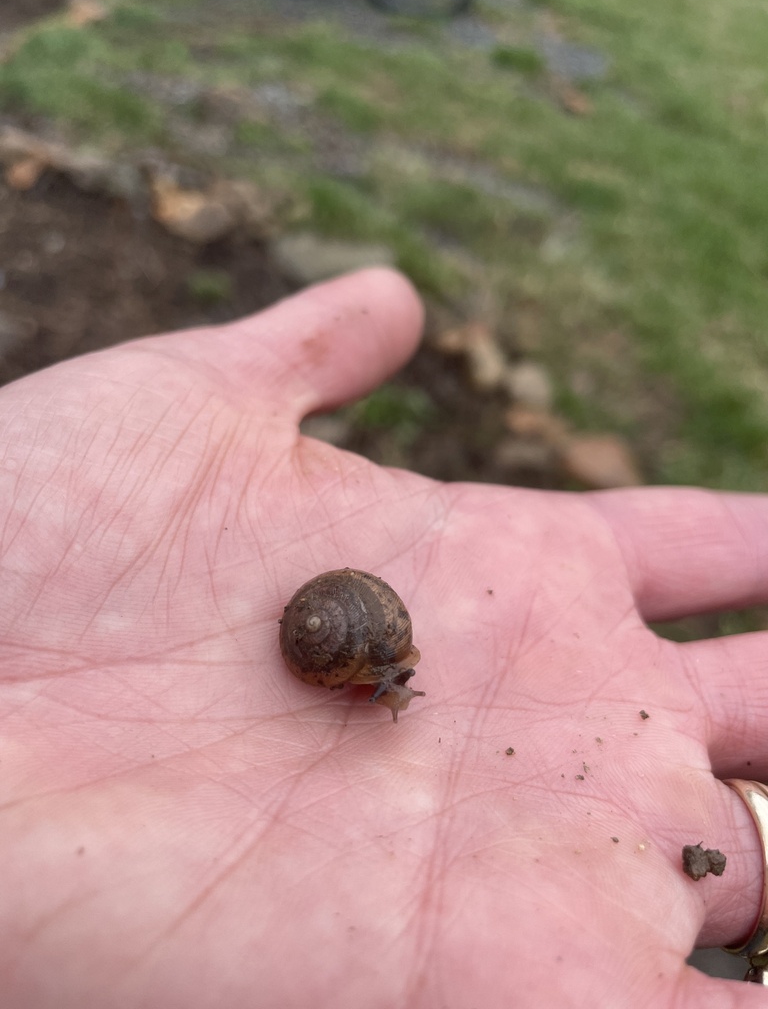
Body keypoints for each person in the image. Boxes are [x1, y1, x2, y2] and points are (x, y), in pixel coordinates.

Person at [2, 267, 767, 1008]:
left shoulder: (374, 655)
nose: (398, 688)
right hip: (342, 627)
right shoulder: (352, 647)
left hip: (348, 628)